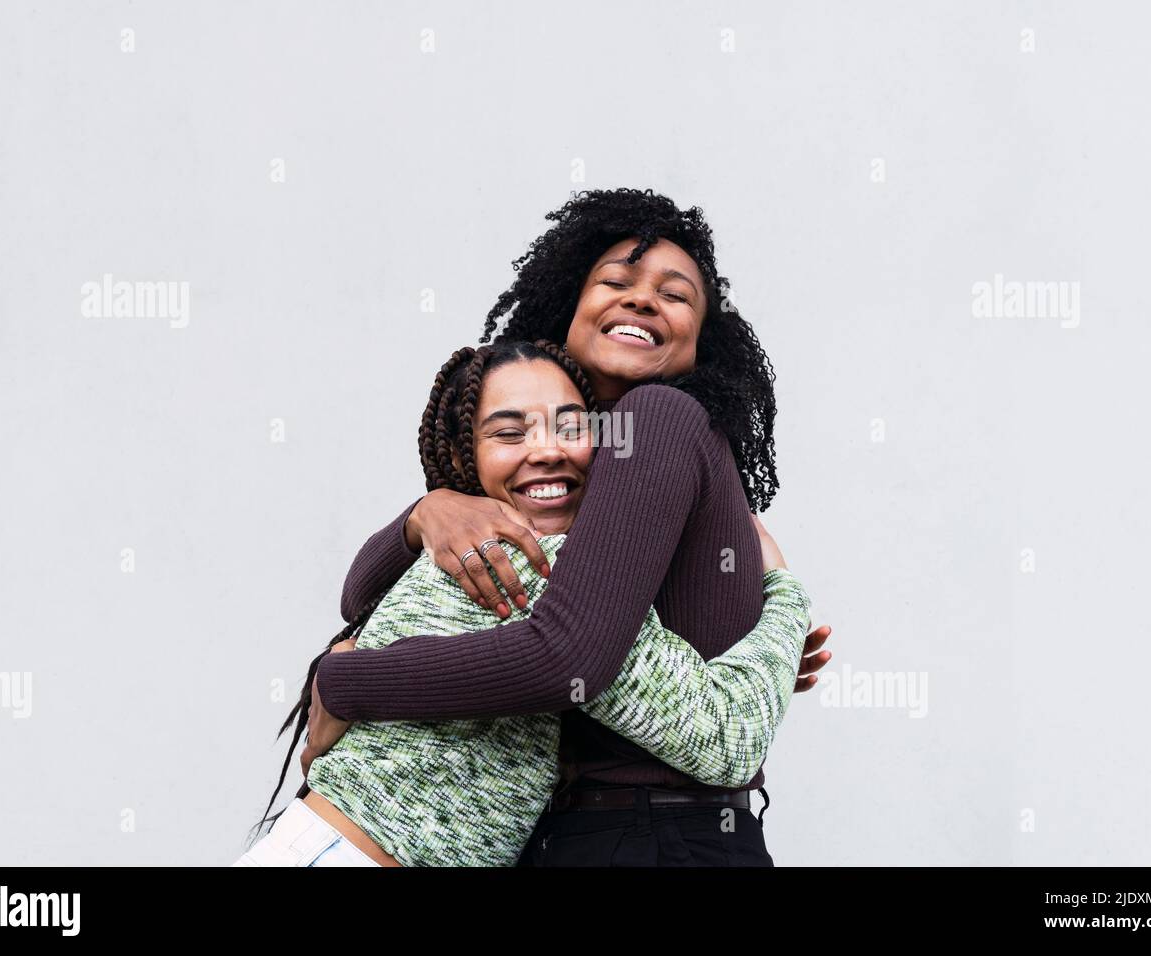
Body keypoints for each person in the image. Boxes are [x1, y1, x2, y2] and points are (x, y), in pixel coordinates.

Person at [308, 188, 833, 865]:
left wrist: (343, 683)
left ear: (705, 347)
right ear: (568, 308)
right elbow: (368, 600)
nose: (642, 298)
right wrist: (423, 516)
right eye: (615, 281)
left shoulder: (655, 420)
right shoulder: (579, 482)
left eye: (675, 296)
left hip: (646, 839)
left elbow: (568, 658)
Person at [239, 340, 811, 866]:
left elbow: (355, 594)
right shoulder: (534, 568)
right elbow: (725, 737)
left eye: (572, 427)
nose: (547, 451)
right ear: (467, 459)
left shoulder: (457, 548)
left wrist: (422, 515)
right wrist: (781, 591)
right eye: (509, 433)